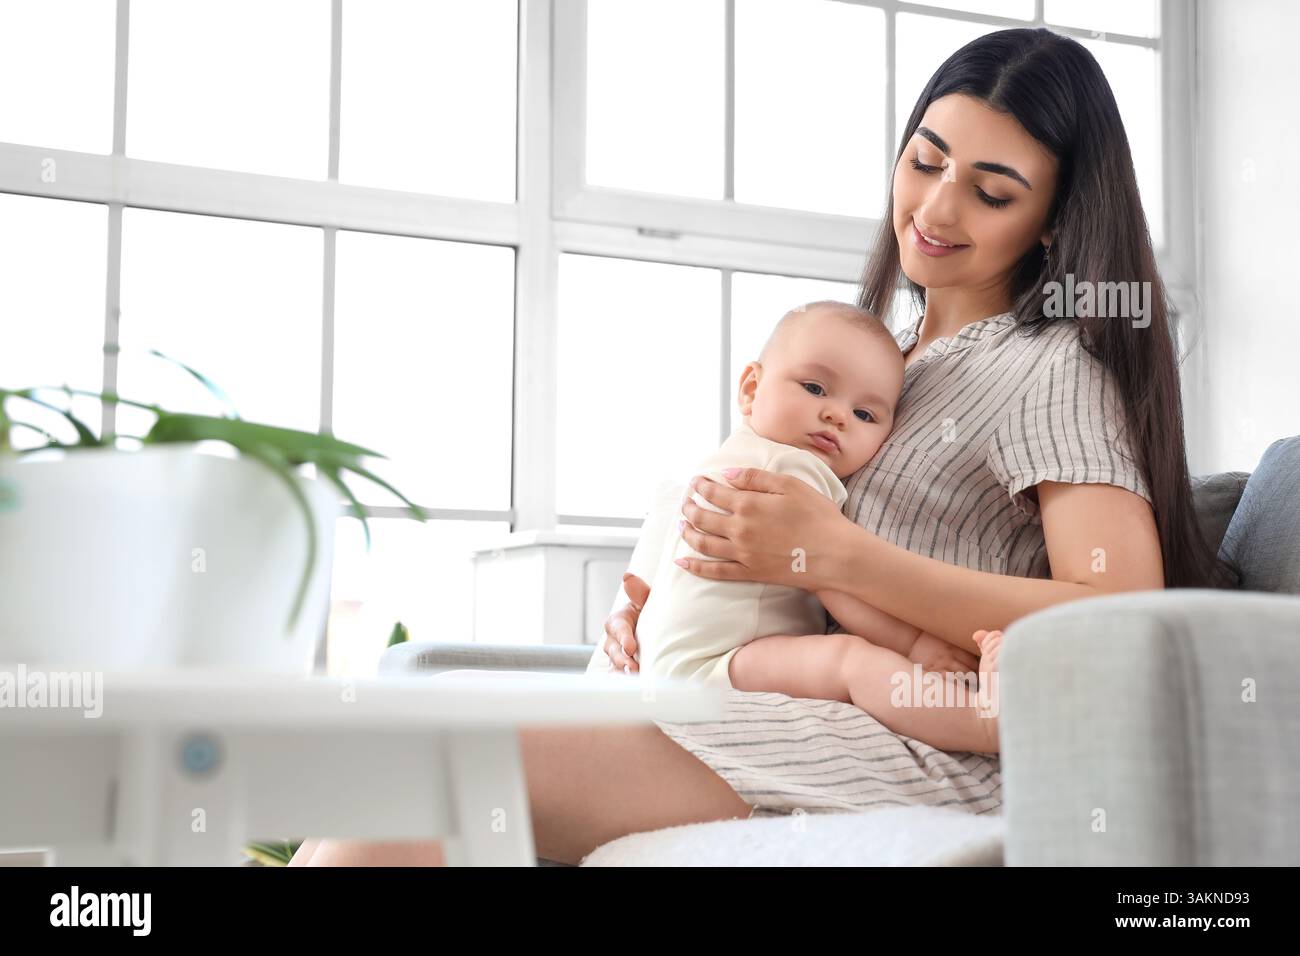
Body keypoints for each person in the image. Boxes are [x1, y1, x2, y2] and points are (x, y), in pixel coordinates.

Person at [291, 27, 1236, 867]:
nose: (937, 210)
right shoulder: (881, 367)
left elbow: (1122, 618)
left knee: (431, 774)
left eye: (990, 193)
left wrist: (836, 554)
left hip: (921, 741)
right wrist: (669, 607)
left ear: (1056, 220)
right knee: (405, 754)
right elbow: (791, 585)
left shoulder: (1050, 369)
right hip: (784, 695)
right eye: (924, 161)